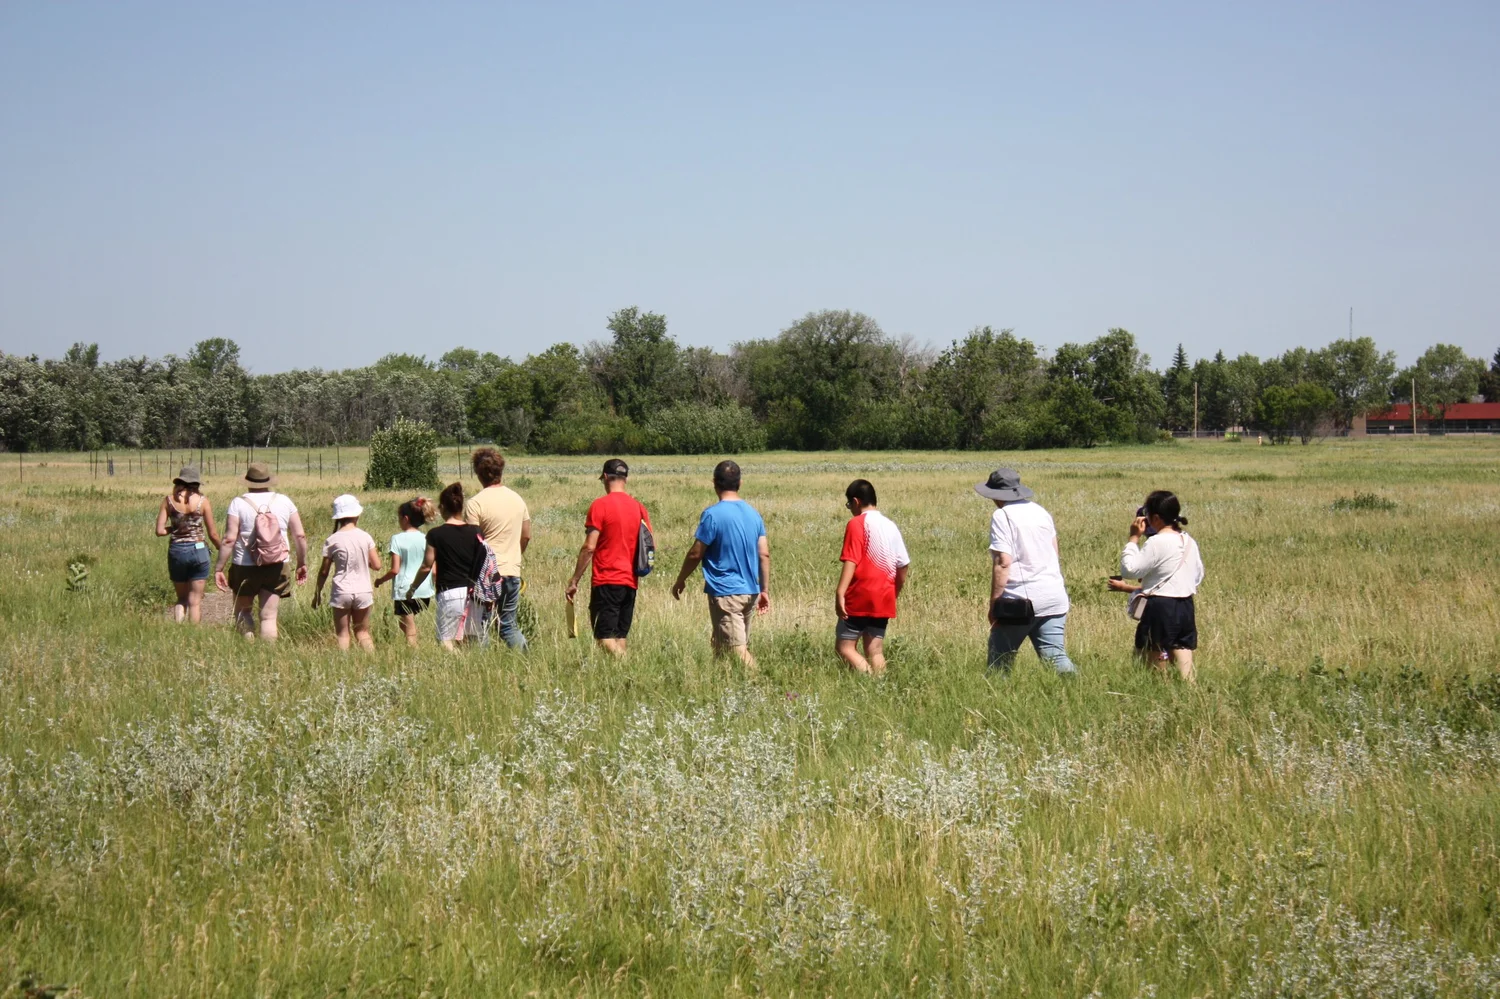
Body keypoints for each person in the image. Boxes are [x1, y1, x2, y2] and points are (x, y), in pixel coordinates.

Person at [974, 468, 1077, 676]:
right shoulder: (1041, 512)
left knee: (1000, 663)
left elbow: (1003, 562)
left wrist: (994, 604)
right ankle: (1084, 691)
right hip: (1054, 597)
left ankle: (995, 702)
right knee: (1056, 657)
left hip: (1018, 602)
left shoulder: (1002, 515)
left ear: (996, 495)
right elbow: (1054, 553)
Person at [671, 460, 771, 668]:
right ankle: (720, 685)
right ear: (740, 483)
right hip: (749, 591)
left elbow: (695, 553)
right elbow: (764, 554)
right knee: (721, 645)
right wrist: (764, 590)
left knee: (737, 650)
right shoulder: (754, 514)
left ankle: (766, 686)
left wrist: (681, 579)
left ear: (714, 482)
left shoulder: (712, 515)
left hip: (726, 592)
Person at [565, 458, 652, 656]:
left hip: (607, 580)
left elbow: (589, 547)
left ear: (605, 477)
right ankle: (622, 682)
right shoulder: (639, 508)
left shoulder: (600, 506)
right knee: (620, 636)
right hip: (630, 582)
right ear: (626, 479)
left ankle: (630, 667)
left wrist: (574, 580)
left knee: (603, 636)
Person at [214, 462, 307, 642]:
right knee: (269, 616)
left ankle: (248, 654)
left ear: (248, 481)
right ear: (268, 481)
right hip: (277, 564)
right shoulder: (284, 501)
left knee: (243, 612)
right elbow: (300, 536)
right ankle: (268, 658)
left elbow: (229, 539)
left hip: (244, 565)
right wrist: (302, 563)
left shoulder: (238, 503)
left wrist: (219, 568)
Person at [1120, 490, 1205, 682]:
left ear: (1155, 517)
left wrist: (1133, 538)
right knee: (1185, 669)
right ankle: (1190, 698)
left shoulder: (1157, 542)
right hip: (1185, 606)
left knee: (1154, 668)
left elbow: (1130, 570)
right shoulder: (1188, 540)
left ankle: (1161, 696)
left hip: (1159, 607)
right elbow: (1198, 575)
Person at [834, 479, 909, 675]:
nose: (850, 509)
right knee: (875, 651)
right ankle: (882, 687)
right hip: (883, 597)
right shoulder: (890, 525)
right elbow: (903, 565)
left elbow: (851, 559)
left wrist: (840, 592)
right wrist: (894, 592)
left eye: (849, 504)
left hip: (860, 595)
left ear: (856, 501)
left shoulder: (857, 523)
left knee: (845, 647)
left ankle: (869, 680)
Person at [406, 482, 488, 652]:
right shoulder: (476, 531)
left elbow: (426, 566)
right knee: (471, 640)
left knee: (446, 641)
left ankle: (457, 664)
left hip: (450, 593)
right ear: (461, 507)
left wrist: (413, 588)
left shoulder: (436, 534)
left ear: (442, 507)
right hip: (475, 593)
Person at [463, 447, 530, 650]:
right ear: (501, 470)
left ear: (478, 473)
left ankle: (479, 671)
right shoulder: (517, 499)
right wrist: (513, 556)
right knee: (508, 625)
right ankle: (526, 660)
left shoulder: (475, 504)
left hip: (486, 576)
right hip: (512, 571)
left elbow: (472, 543)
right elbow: (526, 535)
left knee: (480, 625)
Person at [311, 494, 381, 652]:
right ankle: (372, 661)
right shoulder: (365, 536)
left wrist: (317, 593)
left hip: (342, 591)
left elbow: (324, 571)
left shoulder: (332, 540)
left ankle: (344, 664)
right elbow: (377, 565)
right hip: (363, 590)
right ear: (357, 514)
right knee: (363, 633)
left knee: (343, 634)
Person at [154, 465, 222, 624]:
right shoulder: (203, 501)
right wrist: (221, 547)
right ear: (196, 484)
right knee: (195, 601)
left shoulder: (168, 501)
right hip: (198, 550)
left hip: (177, 551)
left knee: (181, 599)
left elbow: (159, 531)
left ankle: (178, 629)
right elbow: (212, 534)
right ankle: (193, 633)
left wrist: (175, 528)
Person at [374, 496, 437, 648]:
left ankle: (413, 653)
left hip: (405, 590)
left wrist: (380, 580)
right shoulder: (427, 538)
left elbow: (395, 570)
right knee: (405, 623)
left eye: (399, 518)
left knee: (409, 629)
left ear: (406, 518)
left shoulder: (397, 539)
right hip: (424, 589)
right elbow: (434, 570)